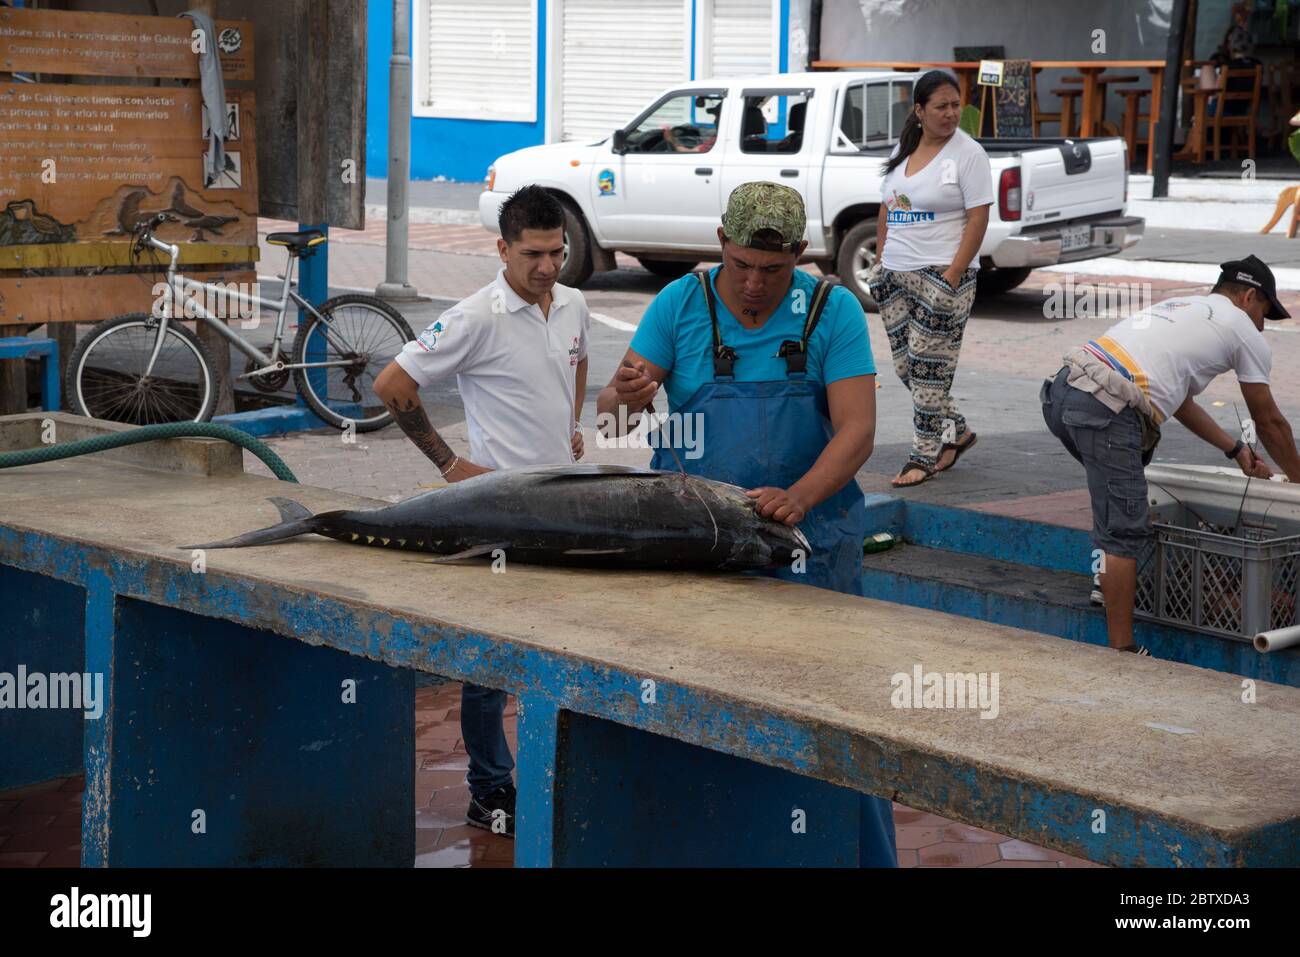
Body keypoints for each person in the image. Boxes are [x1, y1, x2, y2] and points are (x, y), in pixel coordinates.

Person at [595, 181, 897, 866]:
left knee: (829, 715)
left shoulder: (832, 310)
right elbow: (613, 422)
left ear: (798, 256)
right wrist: (623, 395)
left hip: (810, 550)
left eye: (774, 271)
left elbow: (857, 432)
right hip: (697, 554)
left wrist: (800, 495)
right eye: (742, 268)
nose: (756, 286)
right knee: (692, 709)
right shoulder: (680, 304)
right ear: (720, 247)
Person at [372, 185, 589, 836]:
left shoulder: (574, 303)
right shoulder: (475, 316)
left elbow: (574, 363)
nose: (547, 266)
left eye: (557, 251)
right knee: (489, 666)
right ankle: (489, 790)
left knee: (563, 645)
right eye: (533, 254)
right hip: (496, 513)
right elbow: (393, 384)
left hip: (563, 507)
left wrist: (569, 422)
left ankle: (554, 777)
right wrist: (447, 464)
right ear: (501, 248)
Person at [1042, 255, 1300, 654]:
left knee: (1121, 491)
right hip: (1105, 407)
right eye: (1265, 313)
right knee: (1125, 528)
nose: (1263, 326)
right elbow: (1270, 423)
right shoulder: (1243, 330)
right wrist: (1298, 480)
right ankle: (1123, 653)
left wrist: (1234, 449)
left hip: (1062, 393)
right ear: (1250, 296)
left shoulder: (1181, 308)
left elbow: (1177, 402)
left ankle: (1105, 581)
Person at [866, 69, 992, 488]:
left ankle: (922, 455)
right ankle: (957, 428)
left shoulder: (968, 154)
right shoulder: (904, 152)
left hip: (943, 279)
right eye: (941, 106)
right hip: (895, 276)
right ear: (919, 110)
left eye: (955, 105)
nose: (951, 113)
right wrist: (880, 262)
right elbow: (887, 209)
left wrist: (953, 274)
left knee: (927, 365)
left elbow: (978, 218)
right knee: (907, 367)